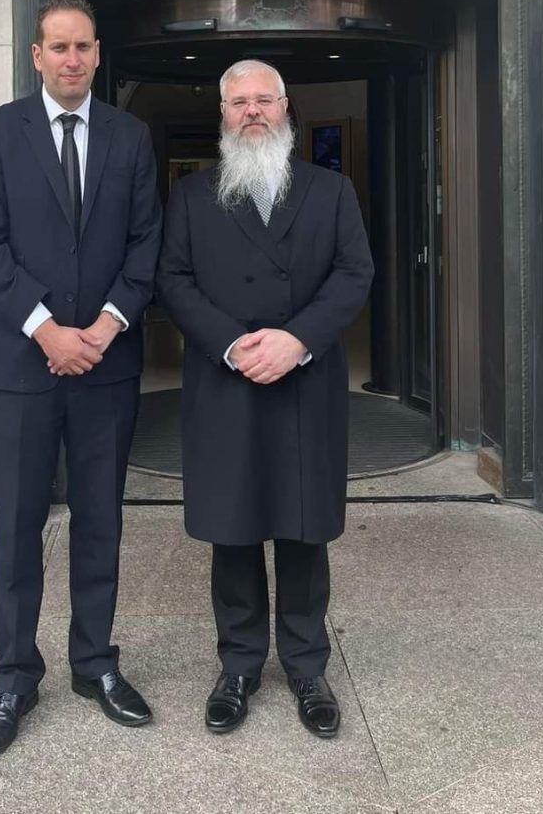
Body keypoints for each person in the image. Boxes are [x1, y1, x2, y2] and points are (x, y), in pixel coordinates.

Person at [0, 0, 162, 759]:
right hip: (19, 365)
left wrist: (103, 328)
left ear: (98, 55)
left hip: (105, 365)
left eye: (83, 47)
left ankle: (95, 664)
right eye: (58, 47)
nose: (72, 59)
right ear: (36, 56)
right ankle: (14, 676)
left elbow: (147, 245)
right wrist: (47, 329)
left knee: (100, 521)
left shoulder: (130, 137)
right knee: (16, 526)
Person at [157, 58, 373, 738]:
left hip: (305, 379)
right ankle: (240, 666)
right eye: (239, 102)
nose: (252, 111)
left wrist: (296, 340)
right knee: (234, 528)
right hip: (227, 380)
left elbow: (353, 272)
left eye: (265, 101)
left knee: (305, 530)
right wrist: (234, 344)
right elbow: (174, 279)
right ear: (222, 116)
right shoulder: (192, 197)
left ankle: (308, 667)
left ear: (287, 110)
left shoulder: (331, 190)